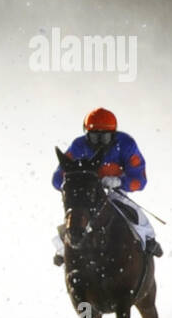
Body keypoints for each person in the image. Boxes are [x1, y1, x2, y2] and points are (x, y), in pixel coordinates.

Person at [52, 107, 161, 265]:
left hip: (115, 191)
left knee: (133, 211)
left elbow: (140, 179)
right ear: (87, 134)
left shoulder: (126, 145)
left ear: (114, 134)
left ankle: (148, 237)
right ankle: (63, 247)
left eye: (105, 138)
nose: (100, 143)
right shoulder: (78, 146)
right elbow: (57, 179)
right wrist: (74, 184)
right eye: (95, 138)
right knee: (74, 214)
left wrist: (119, 182)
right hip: (86, 193)